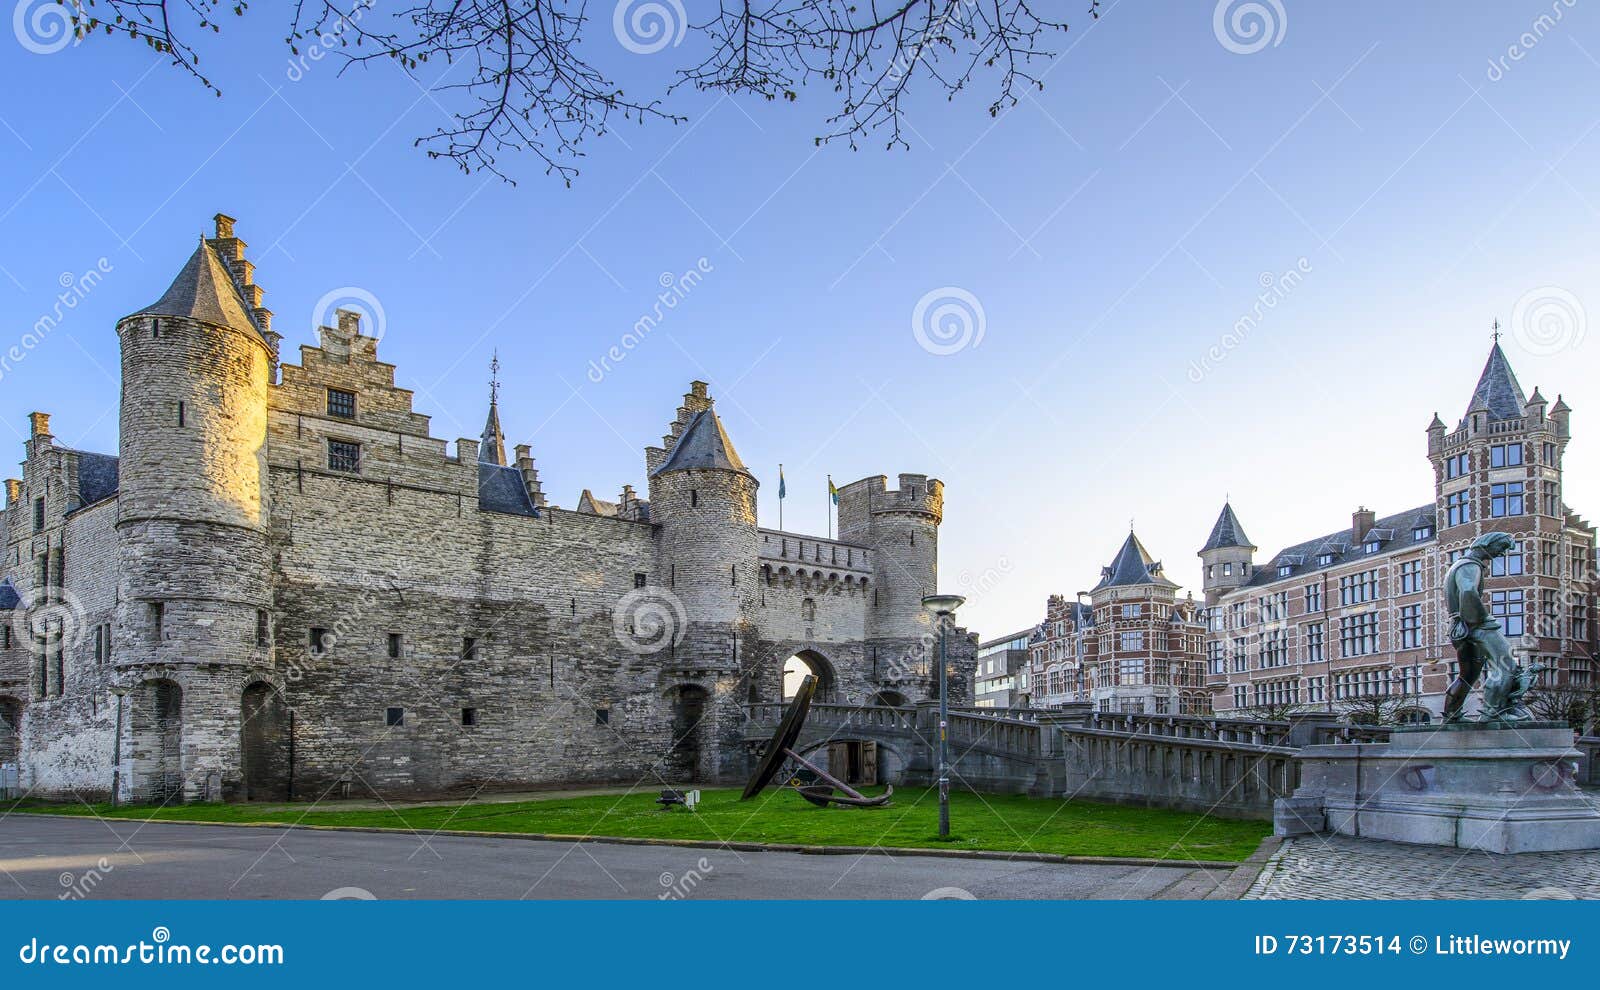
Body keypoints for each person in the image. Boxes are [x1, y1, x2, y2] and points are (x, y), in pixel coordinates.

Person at [1441, 531, 1540, 723]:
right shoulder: (1470, 565)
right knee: (1507, 665)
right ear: (1488, 543)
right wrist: (1481, 620)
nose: (1502, 554)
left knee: (1468, 675)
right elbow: (1468, 592)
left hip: (1459, 628)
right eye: (1501, 548)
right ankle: (1492, 713)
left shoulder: (1457, 566)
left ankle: (1451, 716)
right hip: (1475, 625)